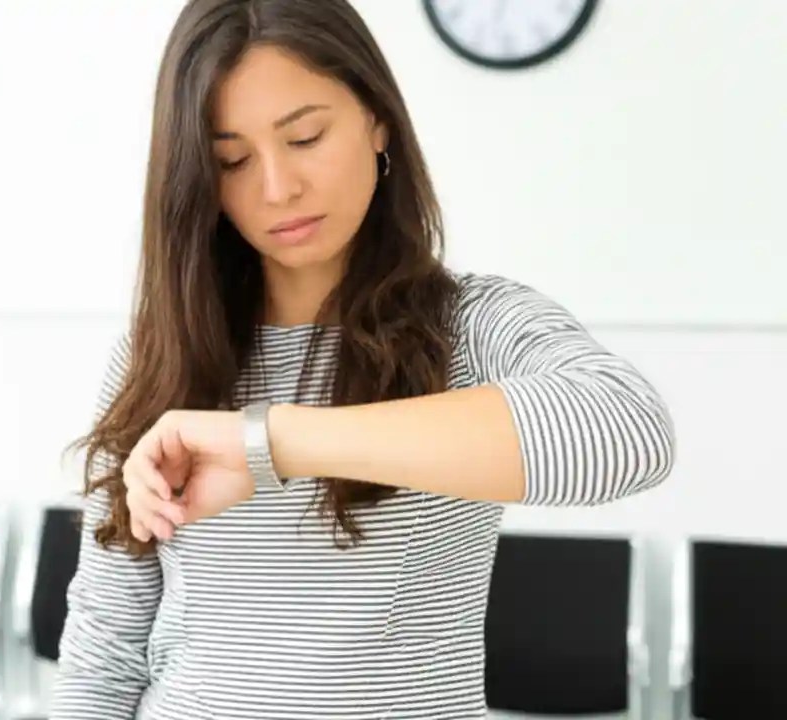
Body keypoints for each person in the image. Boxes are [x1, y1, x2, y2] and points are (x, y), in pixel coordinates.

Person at [51, 1, 676, 718]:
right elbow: (104, 650)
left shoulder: (471, 325)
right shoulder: (162, 351)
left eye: (305, 137)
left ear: (377, 119)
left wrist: (267, 443)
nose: (278, 188)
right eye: (232, 160)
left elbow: (628, 432)